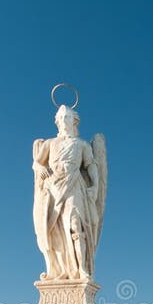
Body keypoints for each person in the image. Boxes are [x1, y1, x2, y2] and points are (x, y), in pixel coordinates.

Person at [32, 104, 106, 281]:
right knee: (54, 231)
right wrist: (39, 168)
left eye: (67, 117)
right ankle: (58, 270)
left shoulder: (81, 145)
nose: (63, 121)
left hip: (74, 185)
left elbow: (90, 166)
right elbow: (36, 163)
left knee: (76, 226)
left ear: (75, 121)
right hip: (53, 188)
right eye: (61, 118)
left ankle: (81, 270)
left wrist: (95, 186)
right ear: (57, 122)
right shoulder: (50, 143)